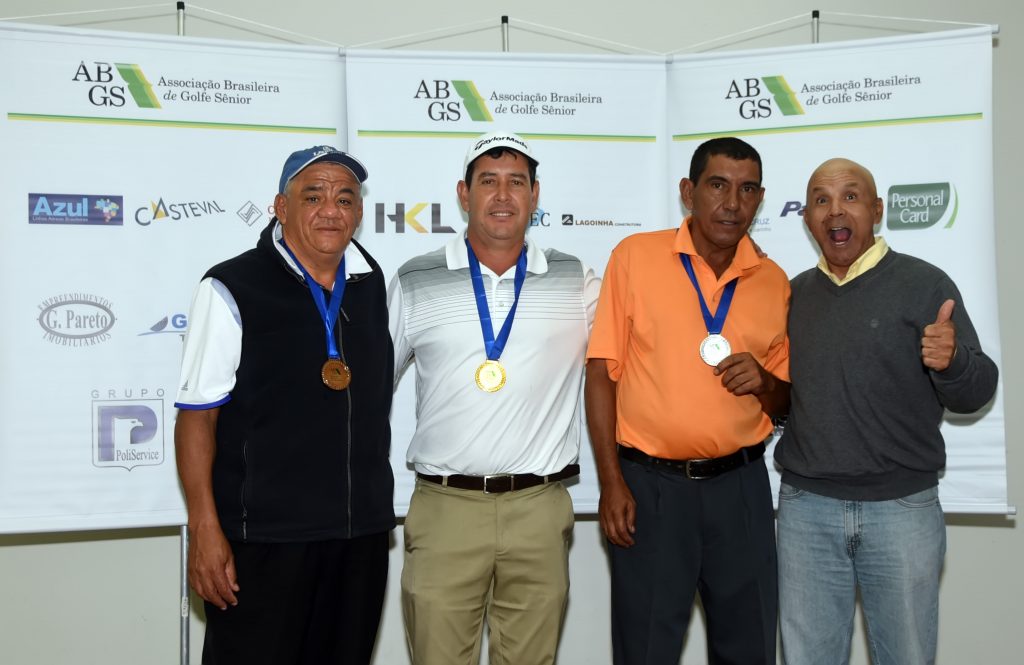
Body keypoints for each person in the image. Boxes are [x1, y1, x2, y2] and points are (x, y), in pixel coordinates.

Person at [173, 145, 395, 665]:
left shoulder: (370, 283)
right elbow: (197, 416)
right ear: (281, 206)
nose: (330, 210)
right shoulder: (232, 285)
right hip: (264, 540)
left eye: (345, 198)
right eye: (312, 195)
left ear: (359, 212)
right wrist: (205, 528)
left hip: (358, 537)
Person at [774, 158, 999, 665]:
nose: (836, 210)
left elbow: (976, 390)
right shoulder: (790, 296)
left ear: (876, 210)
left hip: (903, 511)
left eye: (851, 197)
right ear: (808, 218)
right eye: (821, 199)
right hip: (806, 511)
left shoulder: (925, 285)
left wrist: (955, 361)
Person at [388, 131, 600, 665]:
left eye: (516, 182)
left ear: (534, 195)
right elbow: (369, 390)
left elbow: (635, 357)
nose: (502, 195)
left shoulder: (575, 277)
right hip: (445, 510)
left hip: (539, 508)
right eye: (488, 181)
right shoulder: (415, 279)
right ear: (464, 194)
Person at [585, 137, 789, 665]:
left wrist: (765, 382)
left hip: (741, 490)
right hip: (650, 491)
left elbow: (787, 402)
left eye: (746, 190)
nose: (731, 203)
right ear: (688, 192)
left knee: (748, 648)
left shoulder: (774, 281)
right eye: (717, 185)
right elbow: (601, 374)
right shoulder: (635, 257)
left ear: (760, 199)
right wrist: (611, 483)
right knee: (646, 649)